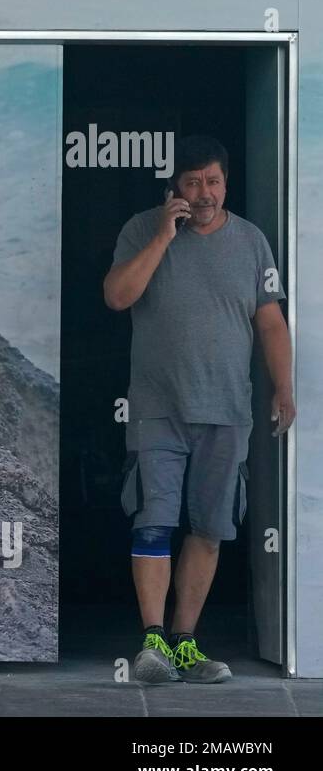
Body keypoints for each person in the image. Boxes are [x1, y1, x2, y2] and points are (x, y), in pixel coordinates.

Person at [102, 134, 295, 685]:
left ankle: (185, 643)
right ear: (174, 188)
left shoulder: (252, 241)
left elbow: (270, 322)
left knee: (210, 528)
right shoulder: (142, 228)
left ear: (225, 183)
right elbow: (117, 296)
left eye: (213, 182)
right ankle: (152, 643)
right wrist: (165, 235)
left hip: (227, 408)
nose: (204, 193)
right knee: (153, 522)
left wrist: (283, 388)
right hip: (157, 407)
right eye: (192, 183)